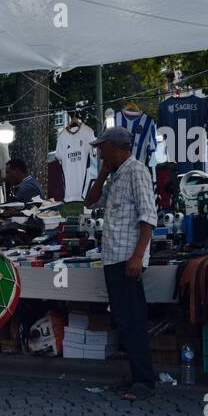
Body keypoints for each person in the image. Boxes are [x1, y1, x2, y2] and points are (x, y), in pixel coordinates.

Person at [84, 124, 158, 401]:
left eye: (102, 148)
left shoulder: (137, 171)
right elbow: (90, 202)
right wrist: (102, 174)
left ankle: (144, 381)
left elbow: (148, 216)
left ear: (115, 147)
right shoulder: (115, 176)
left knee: (133, 320)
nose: (100, 153)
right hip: (114, 256)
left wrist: (138, 256)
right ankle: (135, 375)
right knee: (124, 321)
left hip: (128, 257)